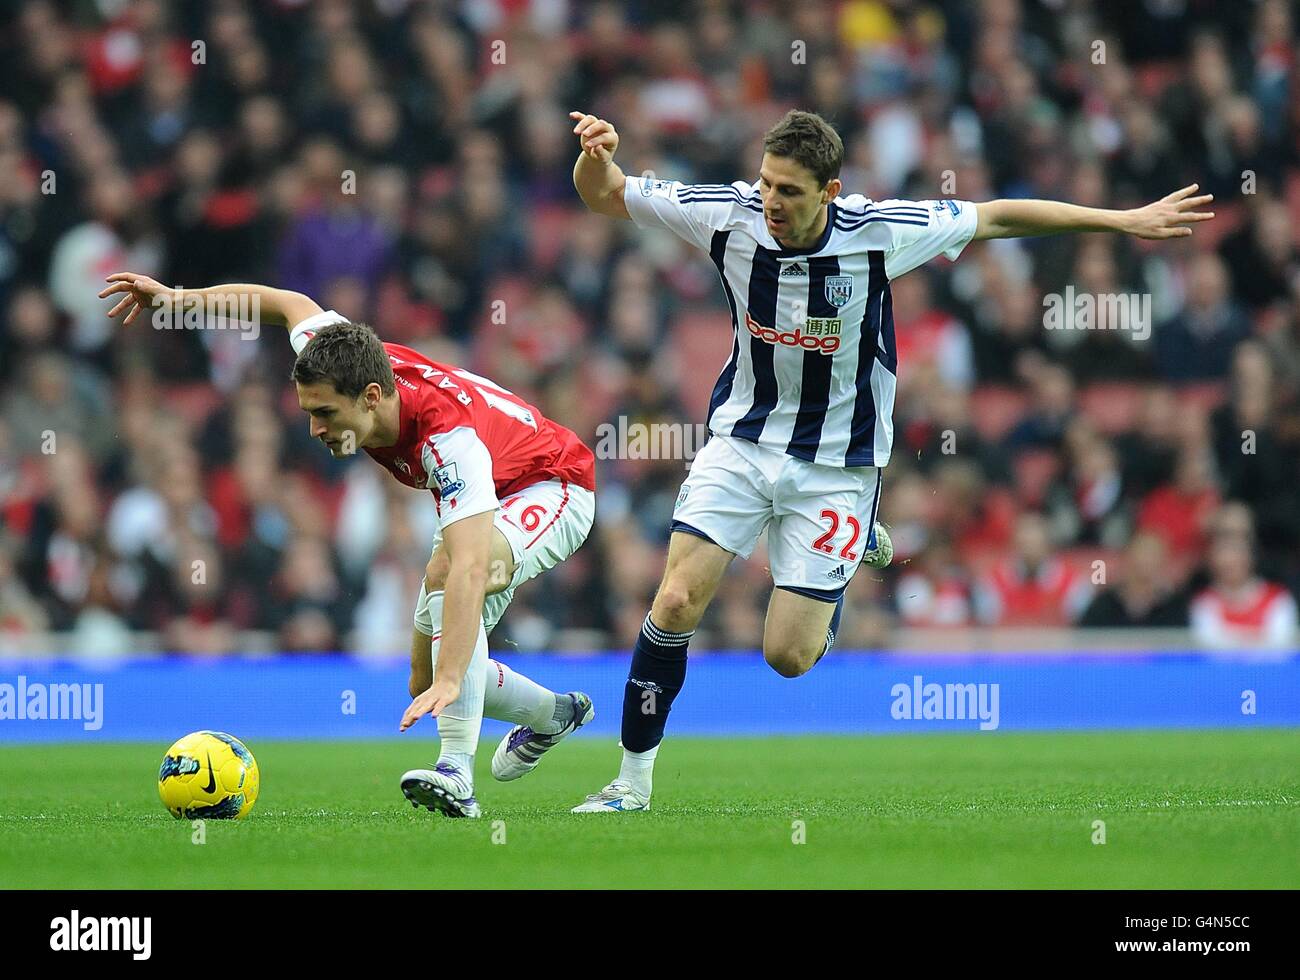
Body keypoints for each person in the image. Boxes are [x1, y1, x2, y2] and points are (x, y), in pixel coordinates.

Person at [569, 107, 1215, 812]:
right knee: (674, 600)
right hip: (742, 442)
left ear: (831, 191)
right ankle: (630, 785)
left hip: (837, 466)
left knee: (787, 657)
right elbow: (605, 193)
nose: (772, 202)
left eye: (790, 191)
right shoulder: (728, 215)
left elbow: (996, 216)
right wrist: (597, 157)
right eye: (767, 184)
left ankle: (841, 569)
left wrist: (1119, 221)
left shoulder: (879, 232)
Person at [98, 271, 598, 818]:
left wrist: (455, 676)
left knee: (454, 600)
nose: (315, 429)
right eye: (309, 411)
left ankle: (456, 773)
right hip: (488, 491)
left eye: (325, 414)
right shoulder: (339, 354)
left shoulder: (448, 442)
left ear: (372, 396)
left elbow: (473, 569)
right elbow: (287, 302)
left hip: (552, 483)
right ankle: (555, 714)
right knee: (422, 677)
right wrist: (178, 298)